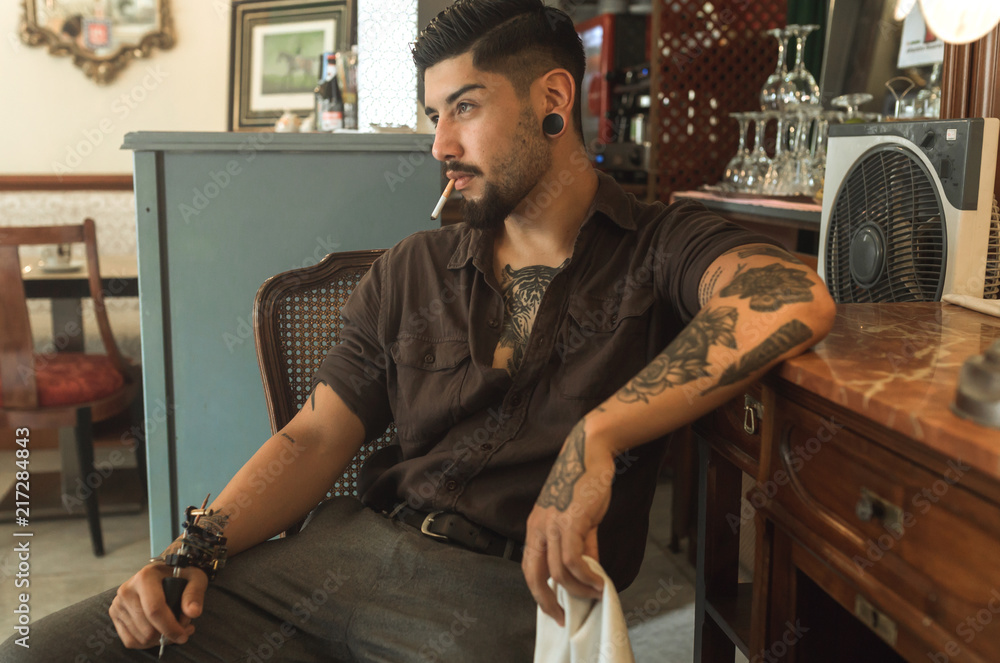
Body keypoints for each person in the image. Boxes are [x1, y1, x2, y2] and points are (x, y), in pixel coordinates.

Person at [3, 1, 836, 660]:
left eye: (464, 109)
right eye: (434, 114)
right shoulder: (412, 266)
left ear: (552, 100)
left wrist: (598, 435)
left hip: (503, 599)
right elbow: (316, 435)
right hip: (336, 559)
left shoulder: (661, 247)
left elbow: (790, 295)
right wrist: (193, 547)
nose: (439, 142)